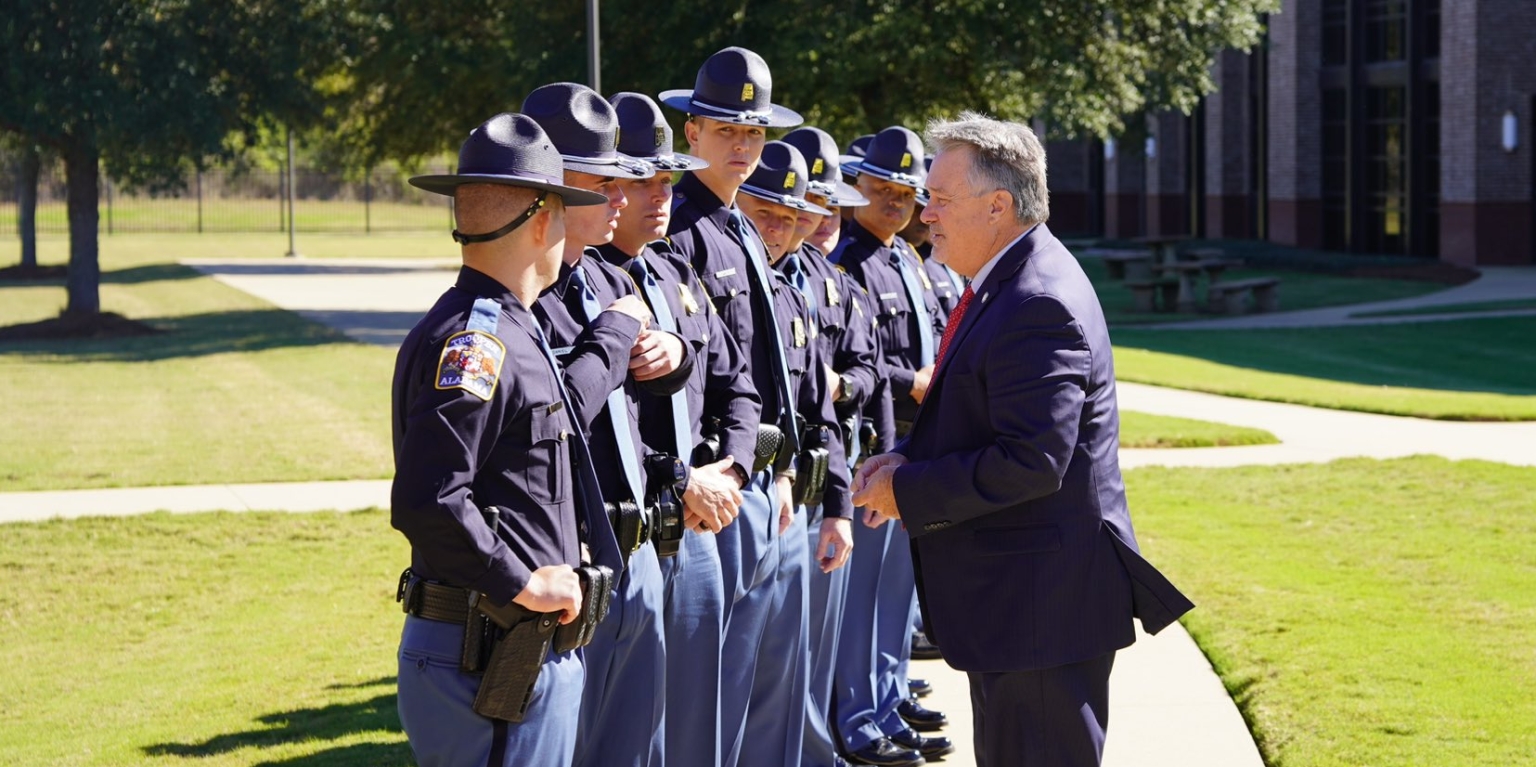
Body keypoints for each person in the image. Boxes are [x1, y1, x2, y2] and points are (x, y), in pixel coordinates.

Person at [851, 112, 1196, 767]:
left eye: (940, 199)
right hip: (1022, 610)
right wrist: (906, 458)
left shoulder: (1037, 300)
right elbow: (987, 418)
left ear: (998, 206)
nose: (927, 215)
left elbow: (1031, 461)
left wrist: (907, 489)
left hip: (1039, 613)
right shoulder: (1008, 283)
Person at [391, 112, 623, 767]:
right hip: (490, 653)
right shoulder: (480, 341)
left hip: (508, 647)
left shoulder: (506, 329)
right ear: (542, 219)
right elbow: (429, 498)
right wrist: (523, 581)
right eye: (565, 209)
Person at [522, 81, 703, 767]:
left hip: (637, 547)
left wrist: (675, 356)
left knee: (637, 746)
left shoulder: (607, 282)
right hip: (574, 561)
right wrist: (613, 338)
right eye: (605, 183)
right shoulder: (525, 296)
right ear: (554, 186)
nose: (623, 197)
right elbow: (555, 415)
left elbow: (658, 394)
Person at [600, 89, 762, 767]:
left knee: (699, 715)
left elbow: (738, 383)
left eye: (667, 179)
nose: (659, 195)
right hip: (632, 530)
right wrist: (679, 478)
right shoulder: (581, 283)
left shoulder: (673, 271)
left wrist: (734, 467)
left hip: (697, 523)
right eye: (641, 180)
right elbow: (593, 425)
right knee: (628, 730)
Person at [658, 45, 806, 767]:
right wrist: (723, 472)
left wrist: (774, 469)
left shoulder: (738, 223)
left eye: (754, 132)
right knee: (701, 693)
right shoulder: (680, 227)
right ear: (691, 132)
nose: (743, 146)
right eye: (726, 131)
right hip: (709, 487)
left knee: (744, 677)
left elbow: (759, 365)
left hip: (751, 474)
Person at [830, 125, 951, 767]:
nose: (895, 203)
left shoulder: (905, 257)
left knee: (895, 587)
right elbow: (859, 357)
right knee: (864, 593)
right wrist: (913, 381)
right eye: (882, 189)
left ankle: (887, 695)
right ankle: (857, 715)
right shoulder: (847, 257)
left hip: (914, 442)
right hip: (876, 441)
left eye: (906, 193)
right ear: (859, 186)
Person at [735, 139, 856, 767]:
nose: (780, 229)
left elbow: (817, 409)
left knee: (783, 670)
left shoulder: (791, 288)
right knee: (734, 677)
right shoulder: (732, 275)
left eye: (792, 217)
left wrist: (838, 505)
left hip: (789, 492)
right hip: (738, 493)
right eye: (766, 214)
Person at [778, 125, 893, 767]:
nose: (822, 217)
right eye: (811, 203)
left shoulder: (832, 280)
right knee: (778, 646)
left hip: (828, 471)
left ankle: (818, 746)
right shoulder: (770, 275)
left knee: (820, 636)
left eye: (830, 204)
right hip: (777, 477)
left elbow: (868, 368)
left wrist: (841, 383)